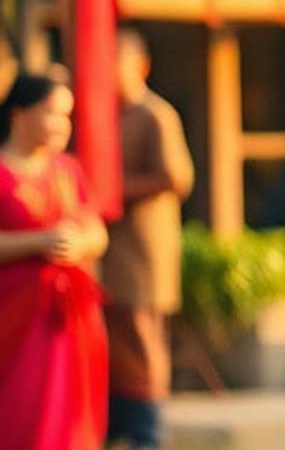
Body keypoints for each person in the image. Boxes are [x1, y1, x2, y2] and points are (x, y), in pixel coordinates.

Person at [0, 69, 109, 450]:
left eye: (67, 115)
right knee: (16, 405)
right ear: (19, 114)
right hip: (11, 312)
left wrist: (78, 244)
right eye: (52, 113)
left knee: (71, 408)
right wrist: (39, 242)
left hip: (69, 313)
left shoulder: (69, 169)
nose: (62, 125)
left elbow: (98, 233)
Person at [103, 31, 194, 450]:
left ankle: (148, 427)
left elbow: (177, 177)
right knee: (116, 334)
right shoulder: (108, 115)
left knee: (143, 336)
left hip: (144, 250)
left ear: (139, 65)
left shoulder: (155, 114)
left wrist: (115, 190)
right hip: (112, 250)